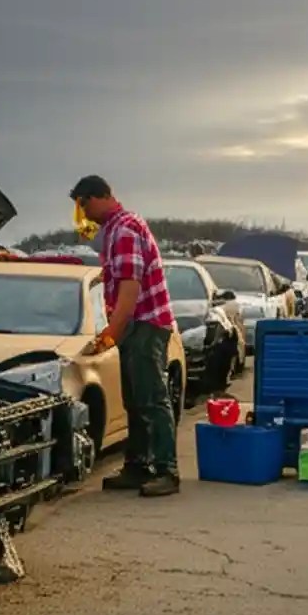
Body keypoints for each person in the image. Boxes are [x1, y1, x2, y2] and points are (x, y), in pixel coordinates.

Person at [70, 175, 181, 497]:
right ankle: (138, 466)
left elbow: (130, 288)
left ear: (99, 197)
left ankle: (165, 470)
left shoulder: (124, 230)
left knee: (151, 399)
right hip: (140, 325)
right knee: (135, 400)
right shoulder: (118, 230)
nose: (85, 215)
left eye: (84, 205)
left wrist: (110, 334)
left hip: (146, 324)